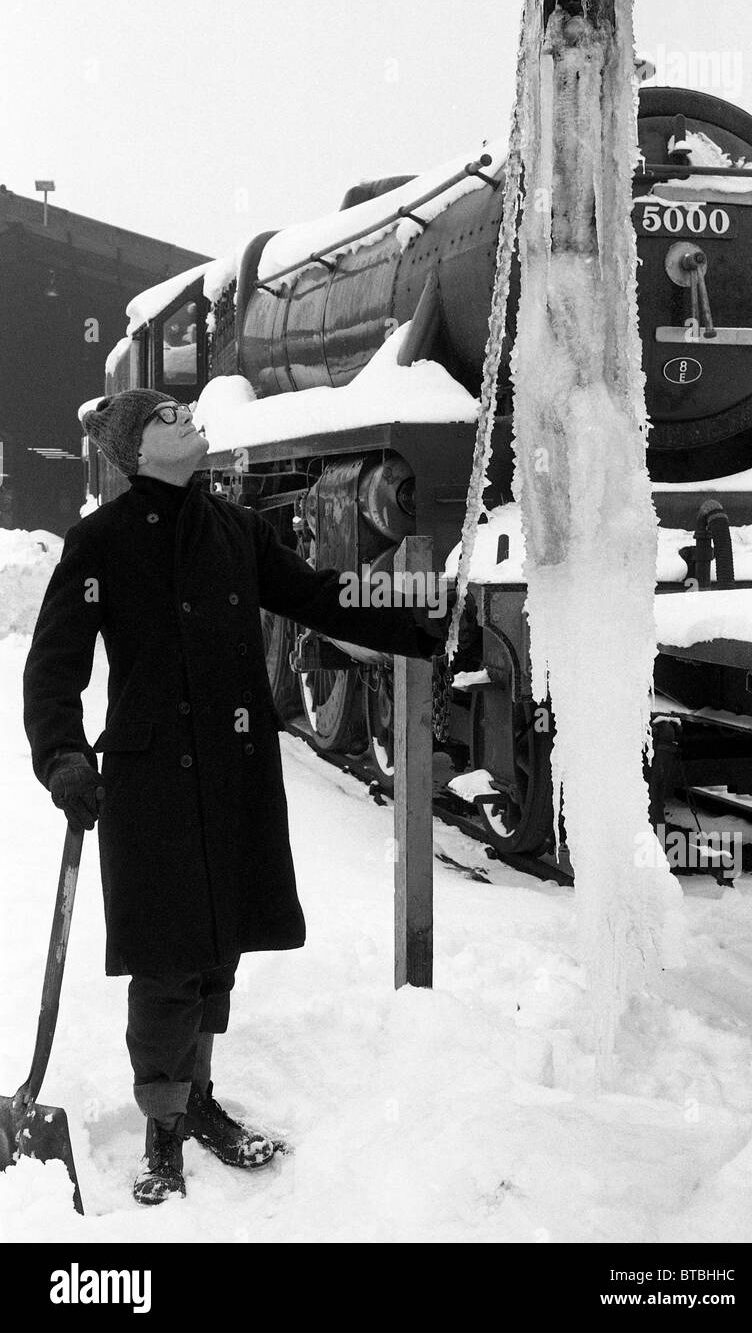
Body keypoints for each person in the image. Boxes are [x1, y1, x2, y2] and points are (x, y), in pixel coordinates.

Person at [23, 389, 441, 1205]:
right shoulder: (100, 541)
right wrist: (64, 758)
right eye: (167, 419)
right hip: (148, 785)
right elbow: (55, 664)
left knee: (217, 951)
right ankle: (161, 1127)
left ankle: (198, 1100)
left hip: (233, 768)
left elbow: (321, 596)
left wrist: (419, 611)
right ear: (135, 451)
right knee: (165, 962)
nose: (188, 420)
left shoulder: (236, 530)